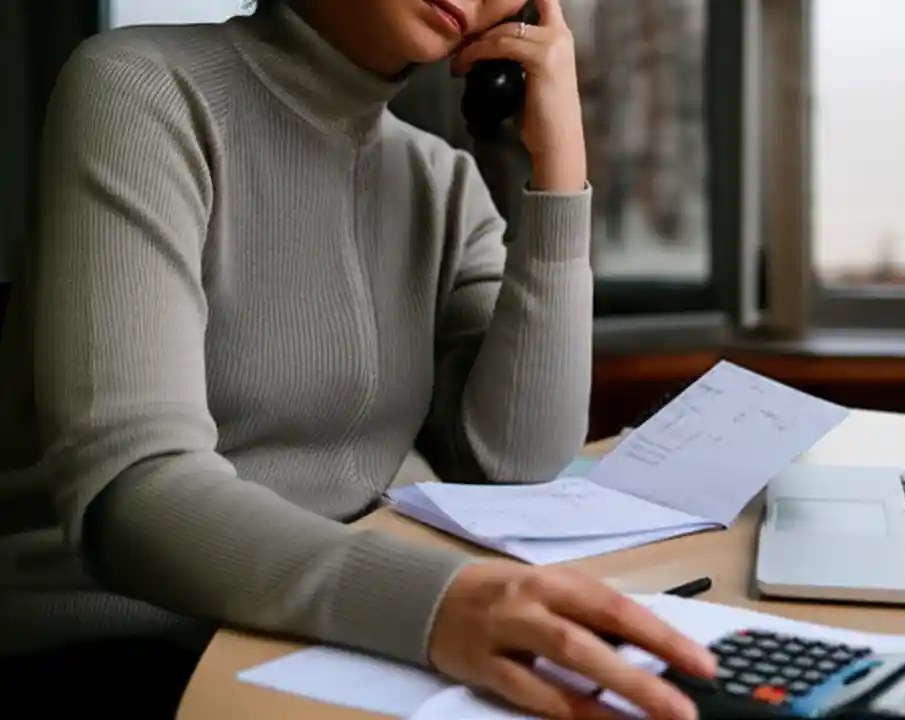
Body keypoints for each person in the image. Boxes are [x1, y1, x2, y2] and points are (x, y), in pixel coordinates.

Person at [0, 0, 716, 717]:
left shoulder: (440, 180)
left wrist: (560, 169)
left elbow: (516, 459)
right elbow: (135, 493)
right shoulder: (142, 90)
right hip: (122, 646)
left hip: (341, 635)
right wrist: (438, 603)